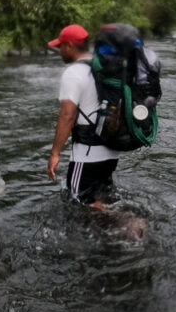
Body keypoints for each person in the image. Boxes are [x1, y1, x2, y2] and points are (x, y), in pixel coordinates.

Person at [46, 24, 122, 208]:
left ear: (70, 46)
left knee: (79, 203)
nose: (59, 51)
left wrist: (55, 153)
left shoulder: (73, 73)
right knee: (100, 200)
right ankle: (121, 229)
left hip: (87, 153)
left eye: (61, 46)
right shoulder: (105, 67)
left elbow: (67, 115)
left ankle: (131, 226)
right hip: (112, 149)